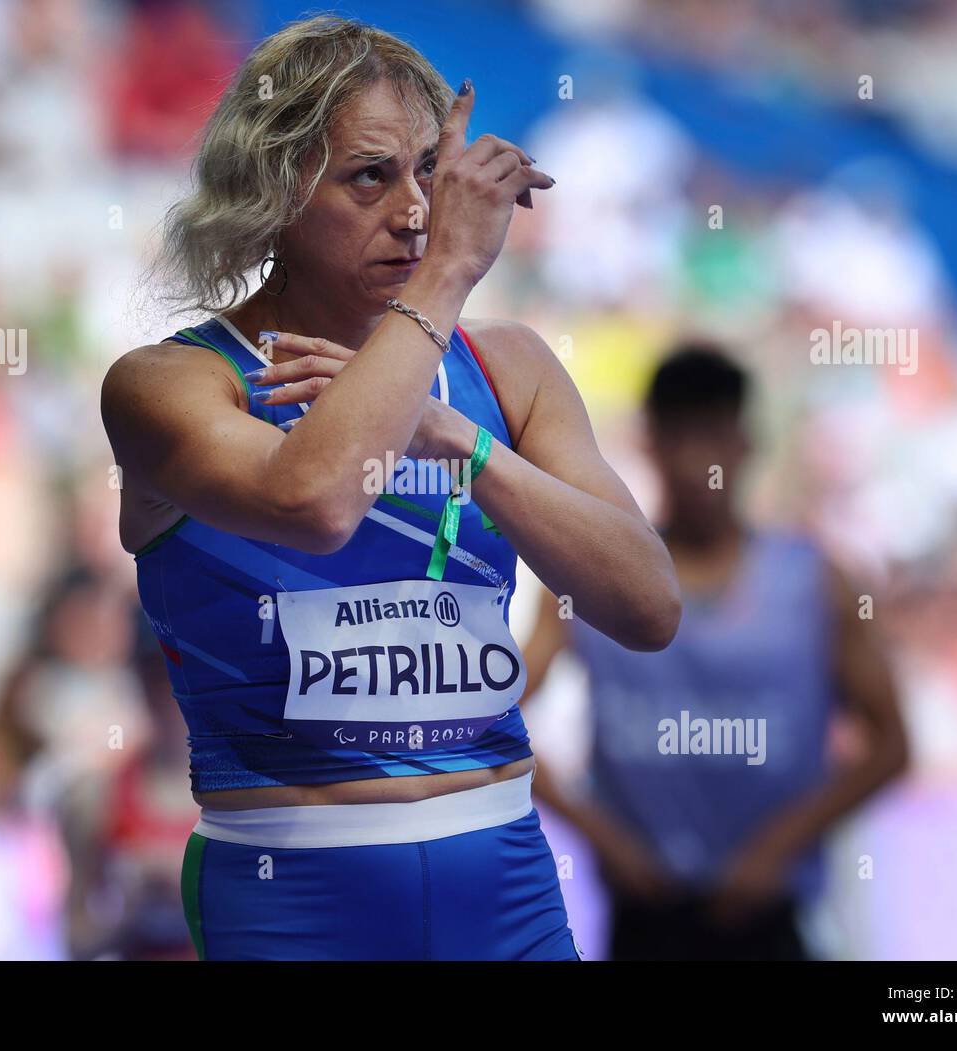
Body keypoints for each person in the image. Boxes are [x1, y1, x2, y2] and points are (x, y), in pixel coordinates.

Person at [99, 15, 680, 961]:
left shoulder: (509, 368)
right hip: (293, 894)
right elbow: (315, 504)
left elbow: (648, 604)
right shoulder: (171, 382)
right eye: (371, 175)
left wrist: (457, 438)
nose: (416, 211)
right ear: (276, 187)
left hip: (505, 879)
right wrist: (449, 274)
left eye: (428, 173)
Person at [519, 343, 910, 960]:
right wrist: (605, 839)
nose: (699, 461)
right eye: (681, 438)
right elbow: (496, 716)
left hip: (769, 914)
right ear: (651, 444)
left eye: (714, 436)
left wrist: (779, 847)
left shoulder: (816, 584)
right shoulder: (594, 578)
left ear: (745, 443)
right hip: (647, 913)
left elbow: (891, 744)